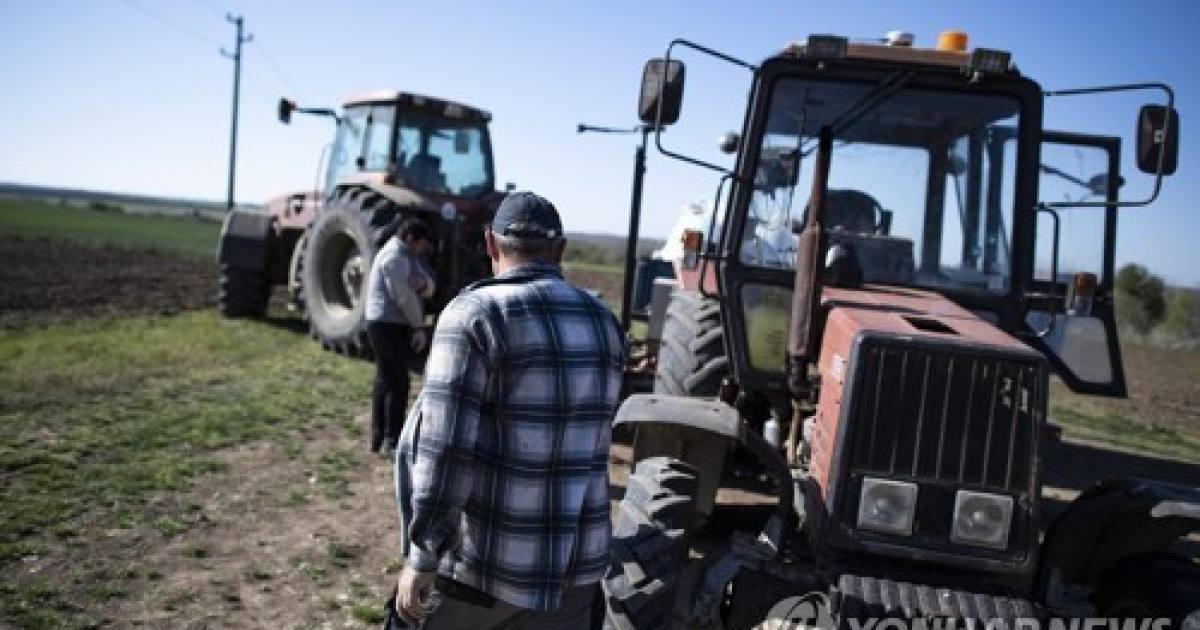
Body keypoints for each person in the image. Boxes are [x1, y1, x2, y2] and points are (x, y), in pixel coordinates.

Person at [392, 191, 625, 628]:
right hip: (575, 570)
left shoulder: (474, 314)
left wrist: (423, 555)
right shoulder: (604, 321)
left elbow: (445, 450)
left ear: (490, 245)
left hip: (484, 574)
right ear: (561, 251)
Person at [365, 217, 435, 455]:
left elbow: (428, 284)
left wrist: (424, 283)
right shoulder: (394, 259)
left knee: (385, 379)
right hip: (386, 324)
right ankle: (392, 440)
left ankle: (378, 438)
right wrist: (418, 326)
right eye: (420, 244)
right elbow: (404, 297)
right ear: (410, 239)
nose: (421, 250)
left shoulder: (406, 257)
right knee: (398, 382)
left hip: (388, 323)